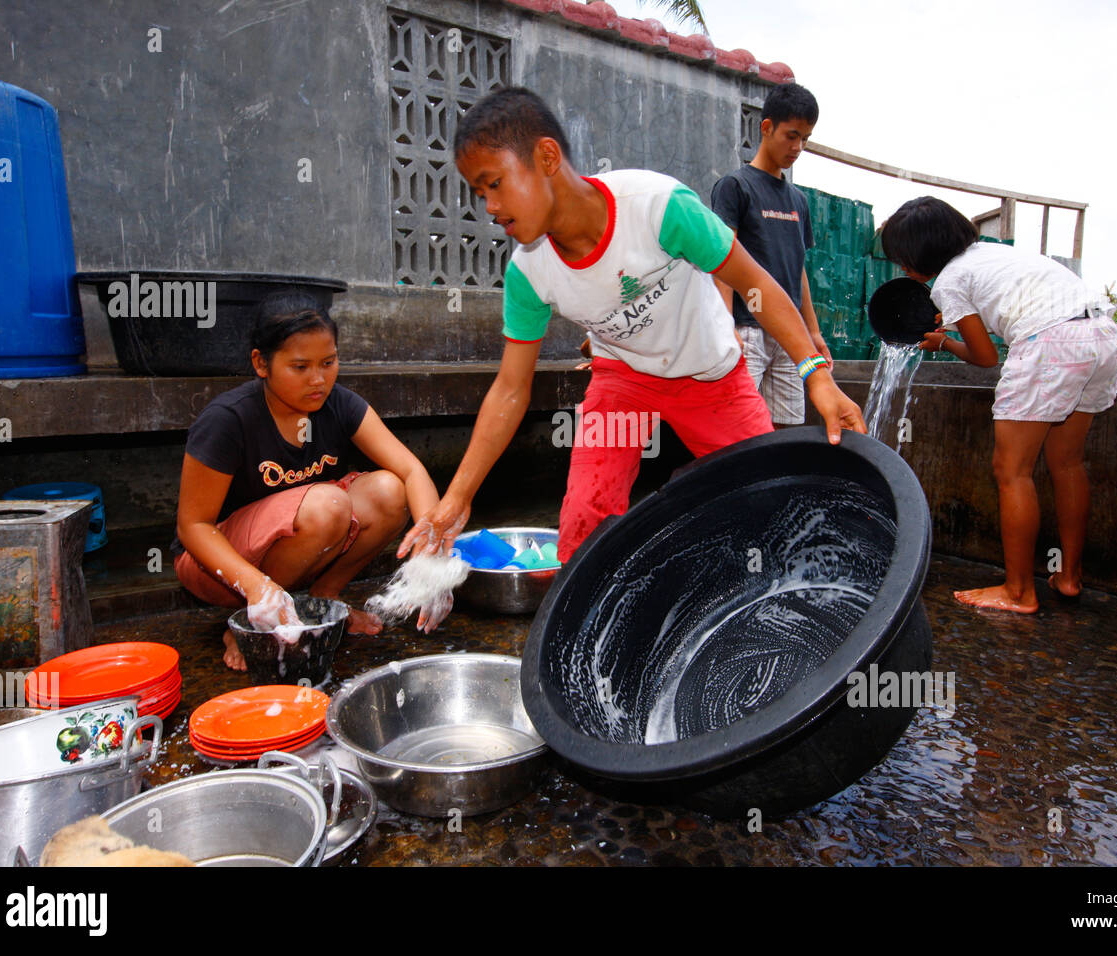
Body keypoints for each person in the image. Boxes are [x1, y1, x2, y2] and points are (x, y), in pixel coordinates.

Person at [399, 87, 866, 564]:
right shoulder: (528, 272)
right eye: (480, 194)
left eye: (494, 184)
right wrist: (457, 497)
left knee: (767, 505)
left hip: (712, 377)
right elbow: (511, 389)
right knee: (584, 521)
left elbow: (757, 286)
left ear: (546, 157)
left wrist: (817, 376)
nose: (490, 208)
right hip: (623, 382)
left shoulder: (657, 206)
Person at [174, 290, 444, 669]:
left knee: (389, 491)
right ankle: (249, 623)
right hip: (213, 566)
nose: (318, 380)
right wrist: (257, 588)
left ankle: (324, 601)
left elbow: (412, 470)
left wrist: (433, 558)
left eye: (329, 362)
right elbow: (193, 526)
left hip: (304, 535)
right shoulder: (227, 420)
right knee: (328, 505)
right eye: (300, 367)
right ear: (261, 363)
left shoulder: (341, 404)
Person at [880, 196, 1117, 612]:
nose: (901, 268)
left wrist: (945, 343)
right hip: (1099, 333)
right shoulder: (992, 253)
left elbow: (984, 357)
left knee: (1011, 472)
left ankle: (1019, 592)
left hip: (1048, 343)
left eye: (902, 258)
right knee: (1067, 463)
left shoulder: (949, 282)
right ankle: (1068, 576)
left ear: (921, 252)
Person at [711, 82, 830, 426]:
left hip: (789, 334)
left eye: (805, 138)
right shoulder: (735, 187)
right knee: (737, 427)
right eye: (791, 135)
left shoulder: (799, 201)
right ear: (766, 127)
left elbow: (799, 269)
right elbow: (721, 261)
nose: (798, 147)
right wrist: (725, 323)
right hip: (748, 328)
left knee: (787, 432)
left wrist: (813, 332)